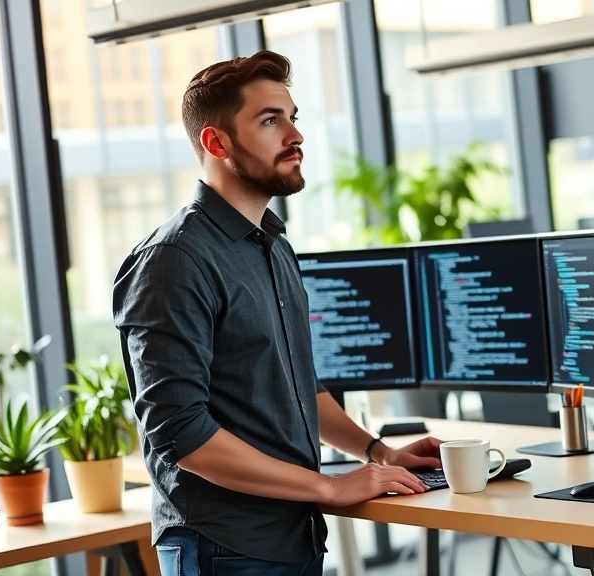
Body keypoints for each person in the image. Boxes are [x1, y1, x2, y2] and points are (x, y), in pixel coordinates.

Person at [112, 51, 442, 576]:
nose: (296, 135)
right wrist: (327, 487)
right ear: (216, 143)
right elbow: (182, 435)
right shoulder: (174, 261)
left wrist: (379, 452)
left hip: (291, 538)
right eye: (270, 120)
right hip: (225, 548)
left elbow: (301, 389)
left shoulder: (271, 244)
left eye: (293, 117)